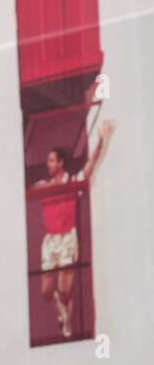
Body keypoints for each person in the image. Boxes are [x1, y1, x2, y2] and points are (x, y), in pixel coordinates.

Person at [33, 120, 113, 339]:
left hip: (67, 238)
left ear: (60, 163)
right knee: (47, 291)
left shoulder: (72, 181)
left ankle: (66, 312)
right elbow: (27, 190)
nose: (47, 163)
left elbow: (90, 166)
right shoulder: (43, 185)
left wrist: (101, 141)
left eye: (51, 160)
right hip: (50, 241)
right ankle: (62, 311)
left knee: (66, 290)